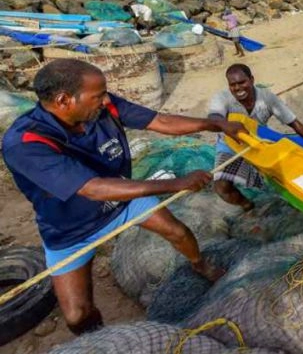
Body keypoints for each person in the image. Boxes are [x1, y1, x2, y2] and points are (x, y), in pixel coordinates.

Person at [1, 59, 246, 335]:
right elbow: (93, 189)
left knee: (177, 231)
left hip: (123, 201)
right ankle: (99, 339)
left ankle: (199, 263)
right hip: (71, 230)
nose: (105, 100)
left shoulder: (103, 107)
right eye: (98, 95)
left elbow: (160, 121)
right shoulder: (24, 143)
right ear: (64, 100)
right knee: (77, 315)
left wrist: (216, 126)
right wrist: (176, 184)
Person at [208, 64, 303, 211]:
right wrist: (224, 124)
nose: (238, 88)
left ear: (251, 80)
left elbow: (293, 122)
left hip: (258, 143)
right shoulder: (222, 98)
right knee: (221, 187)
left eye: (242, 82)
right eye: (233, 85)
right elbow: (214, 117)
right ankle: (247, 206)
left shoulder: (267, 97)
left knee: (286, 177)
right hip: (231, 143)